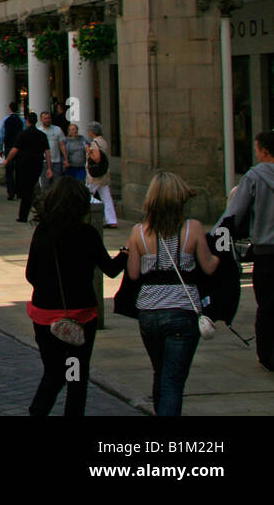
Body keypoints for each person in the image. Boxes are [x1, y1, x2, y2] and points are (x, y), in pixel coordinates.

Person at [24, 176, 127, 415]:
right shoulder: (87, 234)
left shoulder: (43, 231)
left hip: (45, 315)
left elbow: (31, 274)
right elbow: (110, 270)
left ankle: (38, 410)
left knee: (53, 372)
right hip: (79, 315)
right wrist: (125, 254)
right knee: (76, 375)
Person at [127, 172, 220, 416]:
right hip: (182, 311)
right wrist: (222, 256)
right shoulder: (193, 228)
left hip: (148, 312)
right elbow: (209, 266)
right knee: (173, 381)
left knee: (161, 373)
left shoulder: (139, 232)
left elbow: (134, 273)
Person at [216, 130, 274, 371]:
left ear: (263, 150)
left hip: (266, 253)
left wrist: (216, 240)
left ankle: (268, 354)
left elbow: (233, 214)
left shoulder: (255, 177)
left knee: (268, 305)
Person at [4, 113, 52, 223]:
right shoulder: (42, 135)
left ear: (27, 121)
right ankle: (32, 211)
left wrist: (7, 160)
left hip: (24, 165)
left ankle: (25, 214)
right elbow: (47, 152)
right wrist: (49, 167)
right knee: (30, 188)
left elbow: (15, 149)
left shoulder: (23, 134)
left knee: (26, 190)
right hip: (37, 165)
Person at [85, 122, 117, 228]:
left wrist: (88, 151)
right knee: (106, 196)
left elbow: (96, 158)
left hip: (95, 175)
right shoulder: (103, 141)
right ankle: (111, 220)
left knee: (87, 193)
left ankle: (85, 215)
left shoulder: (95, 143)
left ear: (91, 132)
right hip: (103, 173)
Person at [0, 102, 25, 201]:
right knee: (19, 170)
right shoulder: (21, 120)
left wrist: (0, 148)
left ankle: (10, 192)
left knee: (9, 171)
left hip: (9, 147)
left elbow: (2, 135)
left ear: (10, 109)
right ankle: (19, 191)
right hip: (19, 148)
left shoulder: (5, 120)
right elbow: (24, 132)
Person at [38, 112, 64, 190]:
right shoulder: (39, 131)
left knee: (57, 185)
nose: (47, 120)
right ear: (41, 119)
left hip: (56, 161)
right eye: (45, 118)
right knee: (45, 185)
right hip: (44, 162)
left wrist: (65, 159)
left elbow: (62, 144)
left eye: (49, 118)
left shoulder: (57, 129)